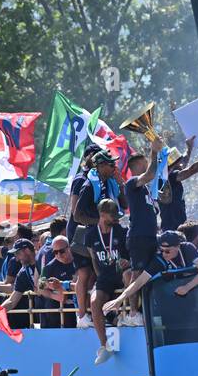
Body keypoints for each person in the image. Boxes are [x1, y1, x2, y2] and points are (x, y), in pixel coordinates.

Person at [70, 150, 127, 330]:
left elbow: (125, 205)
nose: (114, 167)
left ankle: (111, 311)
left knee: (110, 272)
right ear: (100, 166)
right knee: (87, 274)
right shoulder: (88, 185)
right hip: (90, 236)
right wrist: (100, 221)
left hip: (107, 234)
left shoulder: (110, 182)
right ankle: (83, 314)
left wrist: (121, 183)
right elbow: (77, 215)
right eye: (110, 164)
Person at [121, 136, 167, 324]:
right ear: (137, 166)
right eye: (145, 163)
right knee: (137, 273)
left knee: (151, 274)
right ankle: (133, 313)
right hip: (138, 237)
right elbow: (150, 174)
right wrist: (154, 151)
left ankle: (147, 309)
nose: (148, 165)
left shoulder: (147, 190)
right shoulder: (132, 183)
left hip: (150, 237)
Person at [88, 199, 130, 365]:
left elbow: (130, 255)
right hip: (105, 277)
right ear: (102, 214)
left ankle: (128, 316)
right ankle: (105, 346)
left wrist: (127, 262)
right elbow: (93, 258)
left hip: (121, 274)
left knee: (128, 276)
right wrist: (100, 276)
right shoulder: (91, 235)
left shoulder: (122, 231)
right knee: (94, 301)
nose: (116, 219)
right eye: (112, 215)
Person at [34, 234, 78, 328]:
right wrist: (54, 295)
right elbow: (40, 287)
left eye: (62, 251)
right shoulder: (49, 267)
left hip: (80, 304)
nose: (58, 255)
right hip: (63, 309)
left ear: (69, 248)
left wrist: (61, 285)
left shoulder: (79, 260)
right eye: (55, 252)